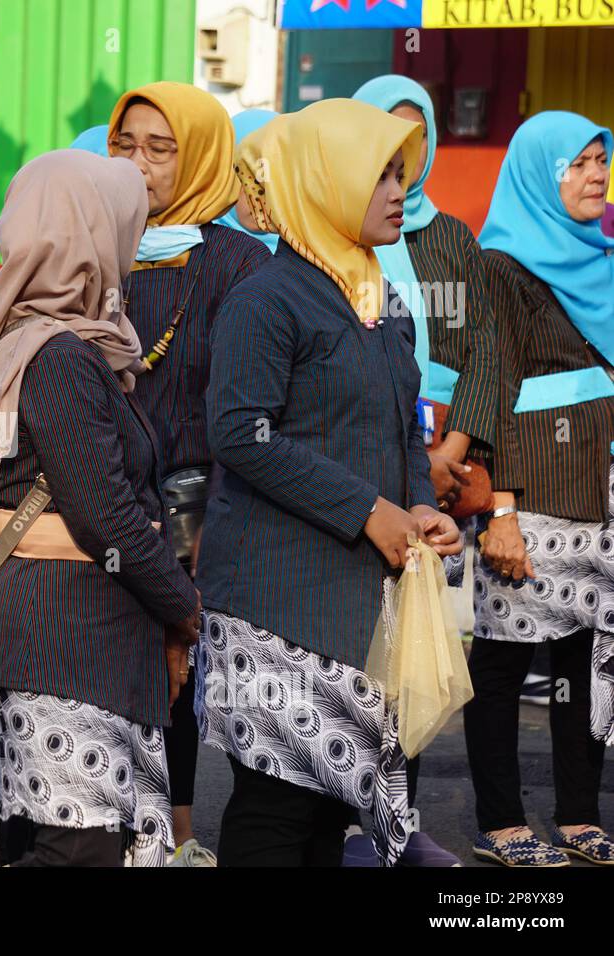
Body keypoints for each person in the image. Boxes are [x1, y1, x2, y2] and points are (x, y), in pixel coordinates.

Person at [196, 99, 462, 867]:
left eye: (400, 173)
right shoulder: (267, 298)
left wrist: (418, 505)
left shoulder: (385, 301)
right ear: (325, 181)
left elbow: (402, 426)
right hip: (277, 598)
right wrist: (366, 509)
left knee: (331, 810)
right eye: (377, 173)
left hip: (358, 596)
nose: (397, 189)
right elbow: (239, 434)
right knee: (279, 806)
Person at [0, 148, 201, 867]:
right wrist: (184, 605)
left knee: (46, 837)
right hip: (67, 639)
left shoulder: (33, 342)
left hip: (60, 633)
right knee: (79, 852)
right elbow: (106, 514)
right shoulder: (58, 358)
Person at [106, 81, 273, 866]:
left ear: (202, 159)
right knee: (106, 671)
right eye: (124, 144)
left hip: (198, 513)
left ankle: (176, 831)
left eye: (160, 149)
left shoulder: (239, 262)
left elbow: (253, 405)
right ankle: (101, 824)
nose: (136, 163)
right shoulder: (92, 242)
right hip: (96, 500)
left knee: (183, 673)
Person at [348, 74, 500, 868]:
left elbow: (487, 355)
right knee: (354, 650)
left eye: (416, 140)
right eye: (386, 139)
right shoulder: (344, 230)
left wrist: (448, 452)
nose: (404, 159)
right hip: (364, 464)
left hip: (441, 456)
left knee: (416, 655)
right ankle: (343, 817)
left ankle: (396, 821)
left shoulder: (449, 239)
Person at [466, 111, 614, 867]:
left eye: (600, 160)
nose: (596, 175)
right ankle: (499, 820)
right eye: (577, 164)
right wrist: (502, 511)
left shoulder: (605, 260)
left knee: (583, 665)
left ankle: (580, 811)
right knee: (499, 663)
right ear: (537, 174)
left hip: (597, 494)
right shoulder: (499, 267)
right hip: (528, 500)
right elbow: (493, 393)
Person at [215, 109, 280, 253]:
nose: (264, 196)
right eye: (251, 177)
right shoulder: (195, 254)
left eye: (276, 180)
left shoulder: (309, 255)